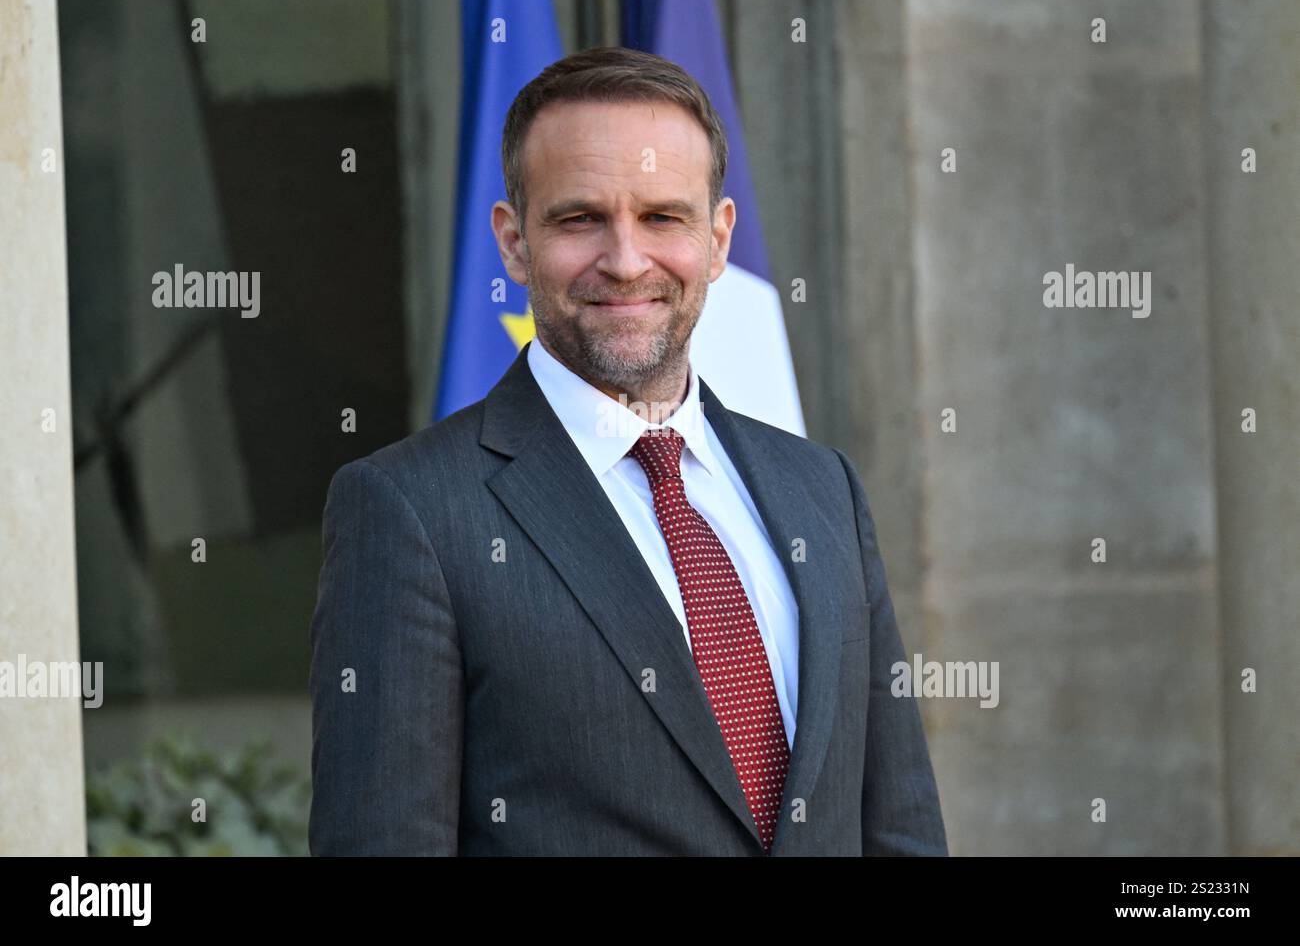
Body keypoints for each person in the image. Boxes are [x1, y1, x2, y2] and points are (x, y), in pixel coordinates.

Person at [308, 46, 946, 856]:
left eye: (662, 217)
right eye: (580, 218)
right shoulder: (410, 512)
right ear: (512, 242)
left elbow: (901, 828)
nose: (626, 260)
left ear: (717, 240)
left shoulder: (823, 488)